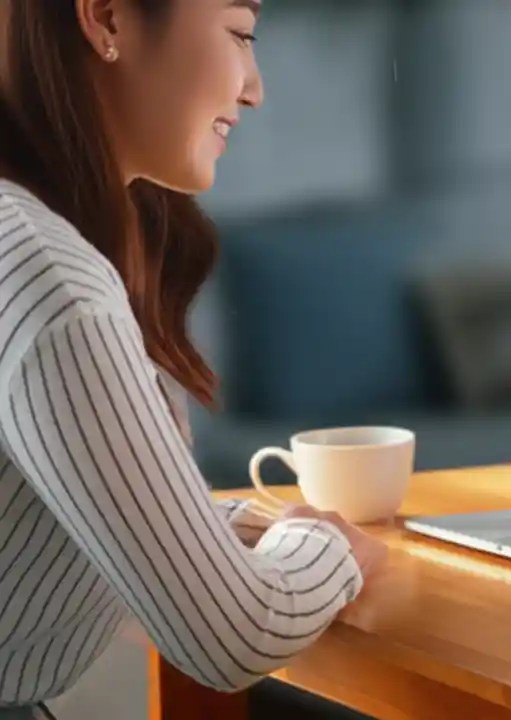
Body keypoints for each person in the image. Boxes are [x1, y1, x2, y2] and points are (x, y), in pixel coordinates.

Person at [0, 1, 387, 717]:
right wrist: (324, 543)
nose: (253, 87)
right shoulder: (54, 285)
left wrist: (225, 526)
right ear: (107, 18)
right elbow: (231, 635)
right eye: (240, 34)